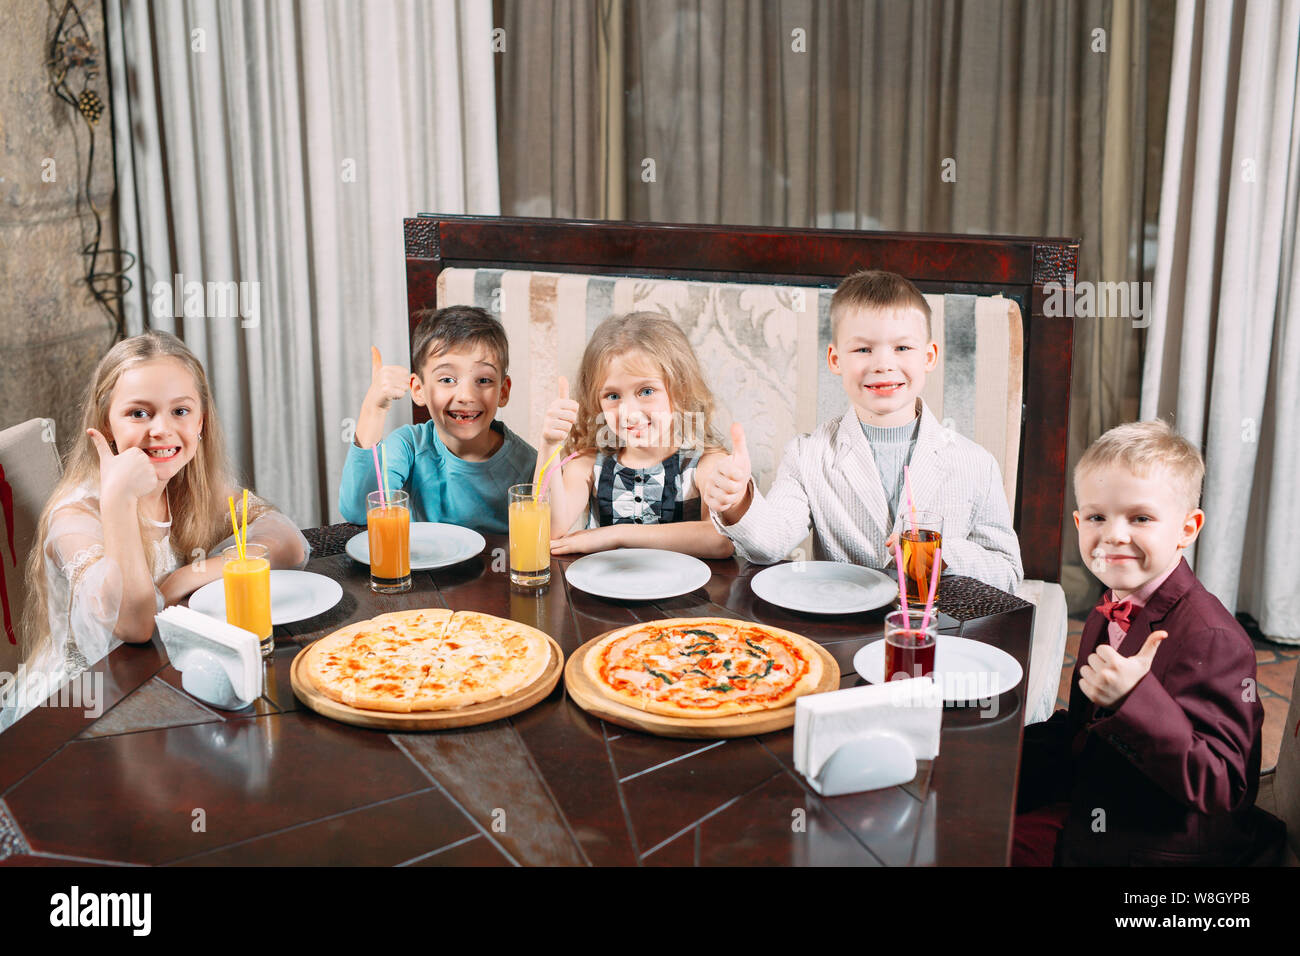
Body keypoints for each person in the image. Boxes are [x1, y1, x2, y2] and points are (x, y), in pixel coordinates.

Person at [1, 332, 308, 732]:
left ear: (201, 421)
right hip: (81, 708)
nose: (161, 429)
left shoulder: (189, 488)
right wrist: (117, 503)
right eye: (138, 413)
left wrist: (187, 576)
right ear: (105, 424)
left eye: (180, 411)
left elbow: (289, 544)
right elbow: (134, 623)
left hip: (163, 675)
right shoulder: (75, 516)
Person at [1014, 420, 1268, 865]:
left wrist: (1134, 699)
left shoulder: (1214, 639)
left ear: (1188, 529)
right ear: (1078, 522)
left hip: (1154, 842)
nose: (1113, 534)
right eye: (1097, 517)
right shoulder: (1110, 603)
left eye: (1141, 518)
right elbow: (1083, 729)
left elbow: (1224, 788)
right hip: (1095, 797)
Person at [701, 270, 1022, 592]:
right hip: (843, 629)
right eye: (863, 350)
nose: (883, 363)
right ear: (835, 359)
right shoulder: (808, 454)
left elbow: (1008, 572)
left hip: (936, 630)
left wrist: (944, 554)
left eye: (902, 348)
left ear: (929, 356)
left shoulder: (976, 462)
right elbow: (768, 545)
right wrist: (738, 501)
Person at [539, 312, 734, 559]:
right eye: (613, 396)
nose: (629, 413)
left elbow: (720, 540)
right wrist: (549, 445)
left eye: (646, 391)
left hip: (686, 596)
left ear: (680, 388)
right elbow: (545, 531)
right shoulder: (588, 465)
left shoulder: (706, 464)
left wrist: (617, 535)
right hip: (601, 594)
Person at [337, 306, 536, 534]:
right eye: (448, 379)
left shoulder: (528, 465)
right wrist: (374, 407)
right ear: (419, 389)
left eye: (483, 380)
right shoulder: (409, 446)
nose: (466, 396)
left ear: (503, 391)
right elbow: (359, 511)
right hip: (421, 568)